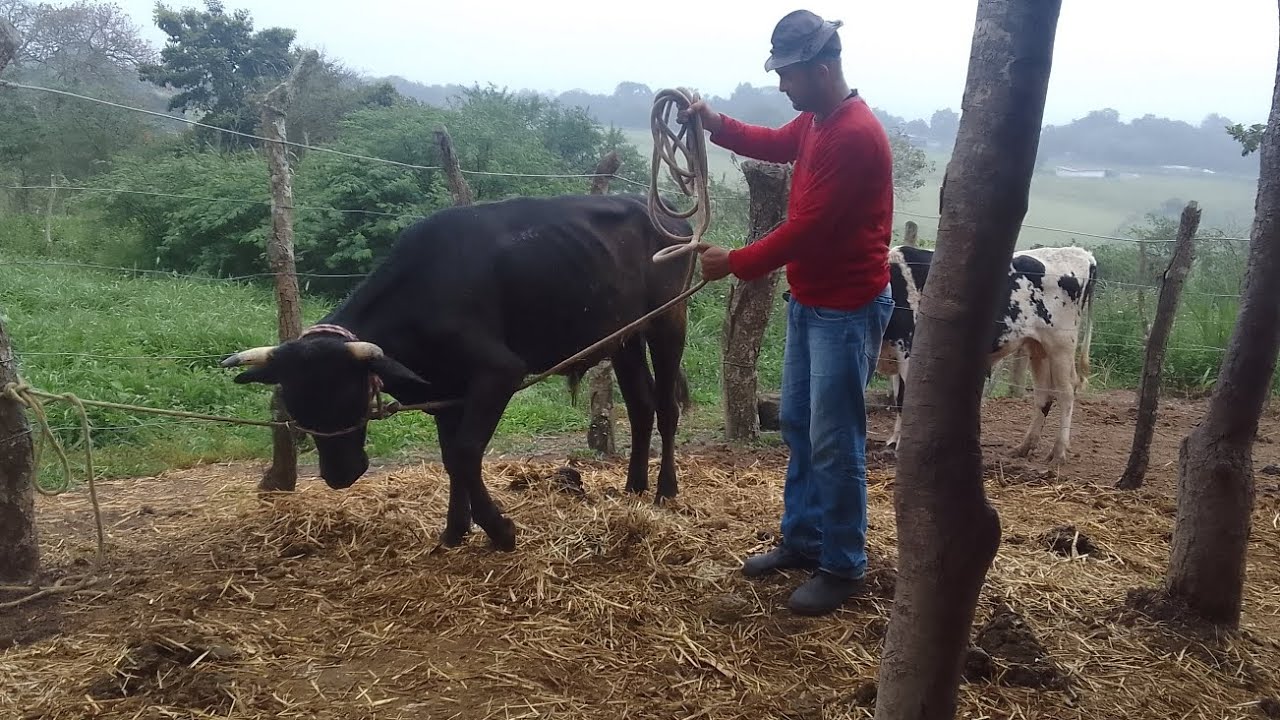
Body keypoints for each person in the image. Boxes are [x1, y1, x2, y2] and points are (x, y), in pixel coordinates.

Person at [682, 9, 896, 616]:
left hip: (845, 310)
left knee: (835, 440)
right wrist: (714, 122)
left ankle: (843, 564)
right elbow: (774, 143)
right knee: (802, 426)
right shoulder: (820, 120)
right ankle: (803, 542)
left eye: (788, 73)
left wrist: (737, 262)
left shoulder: (854, 134)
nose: (781, 84)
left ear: (822, 70)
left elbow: (808, 228)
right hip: (813, 301)